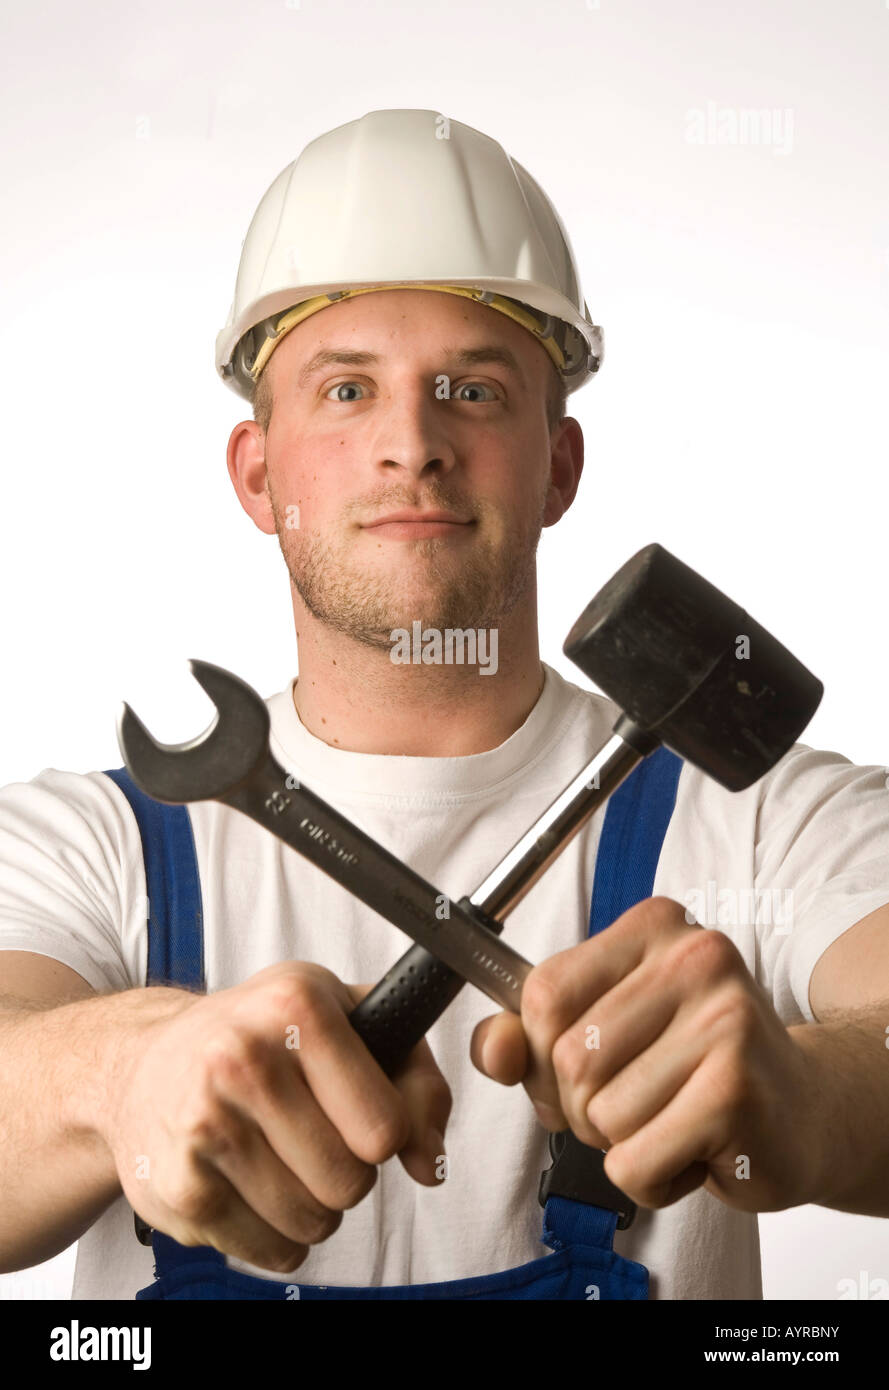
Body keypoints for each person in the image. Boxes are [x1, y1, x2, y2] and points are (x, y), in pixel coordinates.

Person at [1, 108, 888, 1302]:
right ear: (260, 476)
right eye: (348, 388)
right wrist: (118, 1077)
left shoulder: (763, 814)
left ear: (557, 466)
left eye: (470, 391)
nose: (410, 444)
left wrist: (808, 1096)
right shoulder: (91, 846)